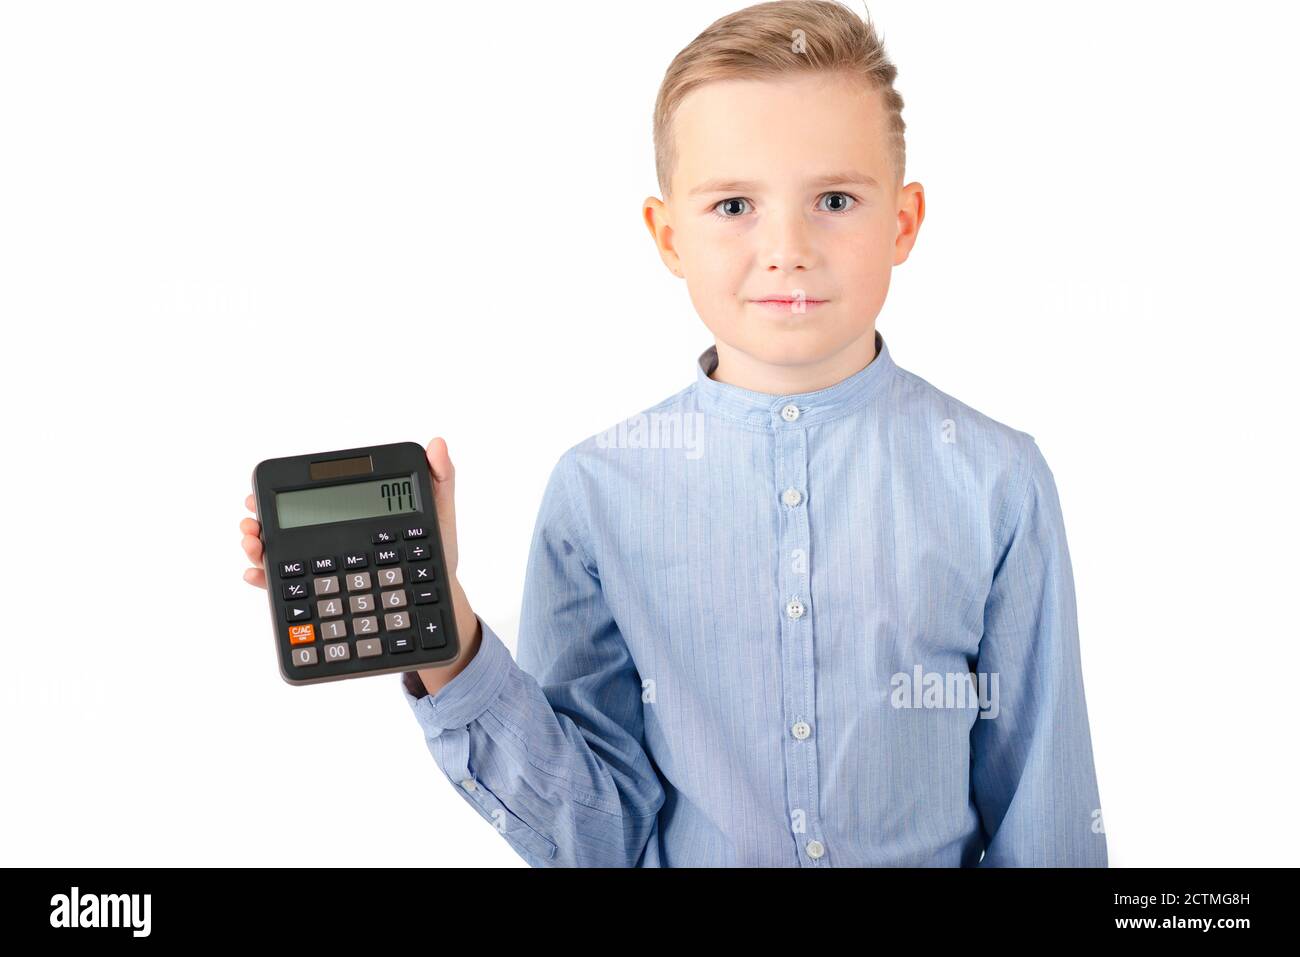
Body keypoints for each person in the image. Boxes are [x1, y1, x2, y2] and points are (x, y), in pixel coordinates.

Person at [239, 0, 1106, 867]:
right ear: (667, 235)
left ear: (904, 222)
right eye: (734, 204)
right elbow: (593, 833)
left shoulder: (997, 480)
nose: (787, 248)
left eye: (834, 199)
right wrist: (446, 635)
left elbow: (1048, 818)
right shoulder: (596, 494)